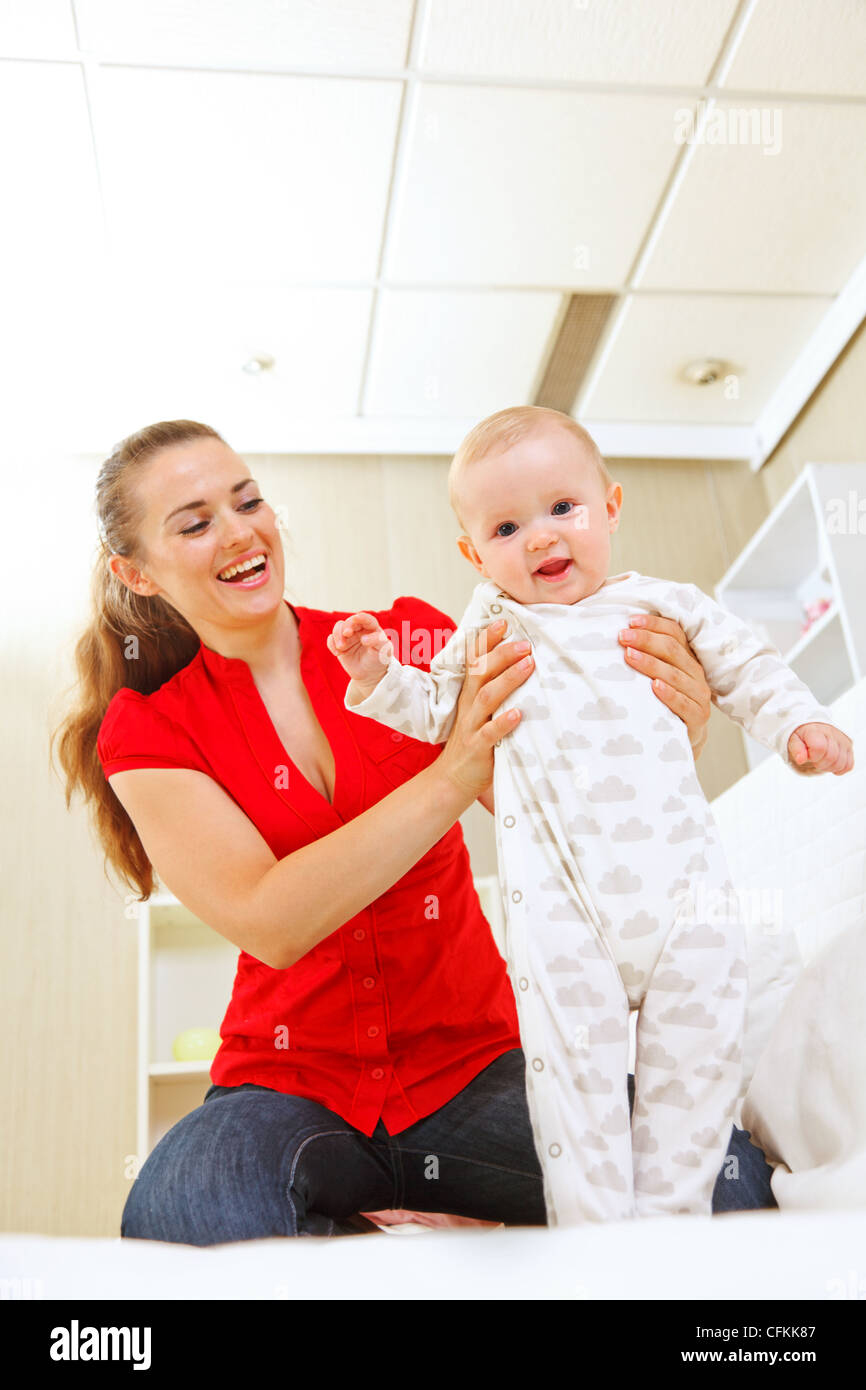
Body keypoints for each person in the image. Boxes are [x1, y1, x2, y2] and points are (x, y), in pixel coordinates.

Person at [52, 418, 777, 1246]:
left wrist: (668, 735)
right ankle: (369, 1233)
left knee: (726, 1184)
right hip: (290, 1088)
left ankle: (391, 1225)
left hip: (478, 1070)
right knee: (180, 1208)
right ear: (134, 572)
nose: (240, 530)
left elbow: (566, 803)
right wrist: (452, 773)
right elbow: (271, 919)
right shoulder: (147, 730)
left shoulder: (408, 642)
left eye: (248, 500)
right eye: (196, 521)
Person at [329, 405, 854, 1226]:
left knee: (697, 1073)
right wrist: (375, 671)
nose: (540, 538)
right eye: (507, 526)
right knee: (575, 1089)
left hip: (682, 895)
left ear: (610, 506)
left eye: (562, 509)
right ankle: (598, 1249)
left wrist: (798, 724)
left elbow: (747, 665)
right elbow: (435, 710)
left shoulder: (665, 605)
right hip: (564, 905)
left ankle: (668, 1240)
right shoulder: (493, 625)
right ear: (474, 554)